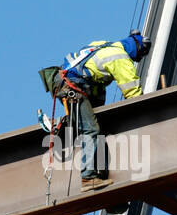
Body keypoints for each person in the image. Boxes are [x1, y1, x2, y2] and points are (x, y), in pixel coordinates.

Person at [40, 32, 149, 191]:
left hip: (64, 82)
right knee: (91, 129)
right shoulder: (121, 58)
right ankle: (88, 177)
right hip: (72, 87)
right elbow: (133, 93)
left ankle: (65, 124)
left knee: (93, 122)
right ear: (137, 50)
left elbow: (87, 72)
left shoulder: (103, 45)